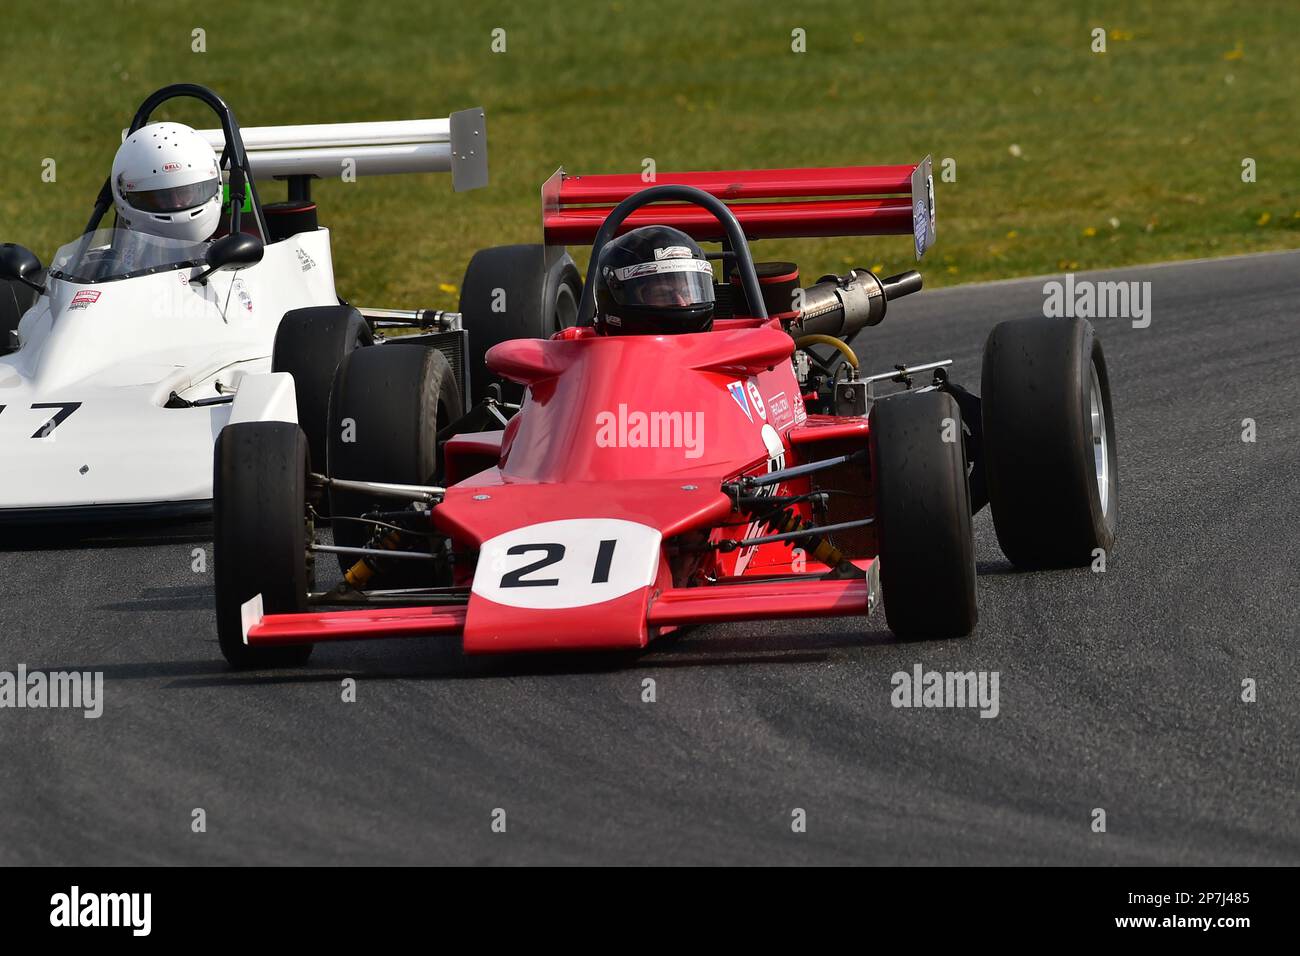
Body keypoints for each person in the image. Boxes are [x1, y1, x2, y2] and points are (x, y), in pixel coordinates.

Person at [110, 122, 223, 244]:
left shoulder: (239, 253)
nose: (177, 204)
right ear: (122, 194)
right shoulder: (119, 259)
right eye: (162, 197)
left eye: (184, 193)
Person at [594, 225, 715, 335]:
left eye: (689, 292)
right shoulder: (588, 357)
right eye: (663, 293)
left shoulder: (729, 347)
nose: (682, 303)